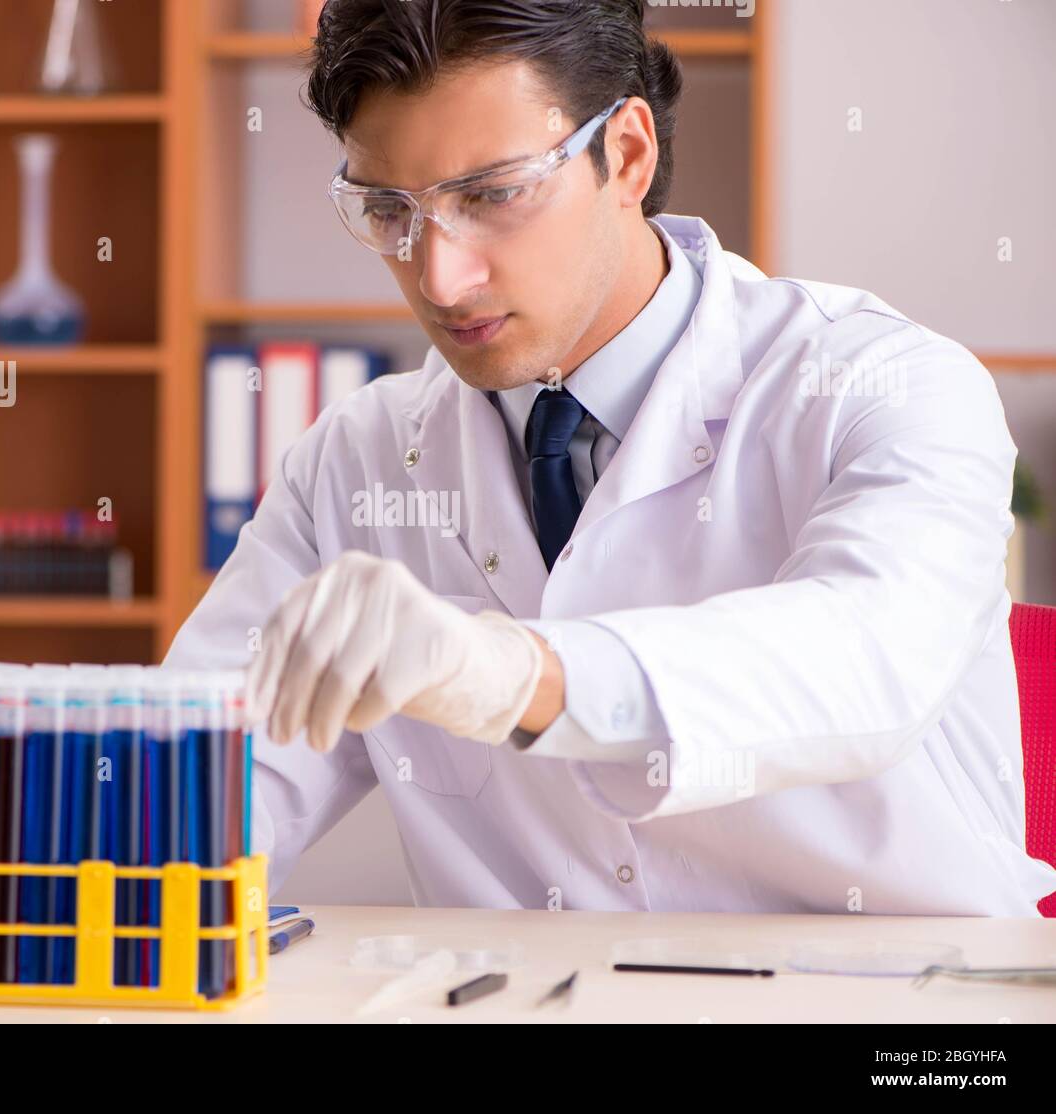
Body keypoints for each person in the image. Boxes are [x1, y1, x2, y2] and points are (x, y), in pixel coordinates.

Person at [165, 0, 1056, 915]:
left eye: (493, 194)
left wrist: (514, 675)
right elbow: (195, 799)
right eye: (390, 209)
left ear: (627, 154)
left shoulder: (881, 383)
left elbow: (868, 652)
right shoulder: (355, 464)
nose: (439, 277)